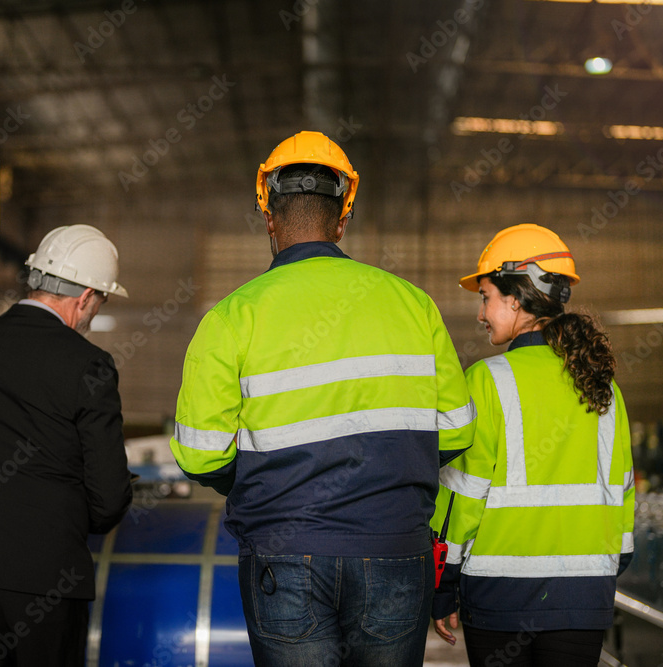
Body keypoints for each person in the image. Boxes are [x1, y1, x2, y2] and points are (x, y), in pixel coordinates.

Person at [169, 130, 477, 666]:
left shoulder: (230, 318)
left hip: (283, 555)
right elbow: (456, 432)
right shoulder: (414, 306)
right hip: (395, 552)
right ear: (342, 219)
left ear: (269, 217)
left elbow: (200, 454)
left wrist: (268, 486)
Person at [0, 225, 133, 666]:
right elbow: (109, 495)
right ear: (87, 296)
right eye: (101, 303)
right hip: (41, 578)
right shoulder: (88, 363)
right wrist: (58, 521)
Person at [431, 224, 635, 666]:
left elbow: (463, 495)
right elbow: (622, 491)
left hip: (501, 595)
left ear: (517, 296)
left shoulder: (488, 380)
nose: (481, 314)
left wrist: (443, 584)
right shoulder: (604, 387)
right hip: (584, 597)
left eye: (485, 296)